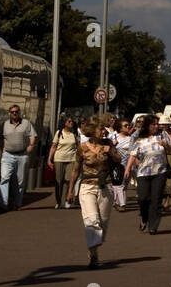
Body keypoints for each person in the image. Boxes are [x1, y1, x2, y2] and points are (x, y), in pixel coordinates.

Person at [70, 115, 121, 269]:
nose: (103, 132)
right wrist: (70, 190)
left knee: (103, 223)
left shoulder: (108, 143)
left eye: (104, 129)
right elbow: (75, 170)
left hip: (105, 186)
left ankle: (94, 250)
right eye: (100, 129)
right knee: (92, 220)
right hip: (87, 186)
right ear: (92, 130)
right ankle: (93, 254)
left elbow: (119, 160)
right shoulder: (83, 148)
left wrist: (110, 151)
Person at [125, 117, 170, 234]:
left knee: (156, 200)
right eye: (153, 124)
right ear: (147, 126)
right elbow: (133, 154)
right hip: (143, 172)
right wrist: (127, 169)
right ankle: (144, 218)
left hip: (159, 172)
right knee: (143, 198)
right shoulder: (140, 139)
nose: (156, 126)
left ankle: (153, 226)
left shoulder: (162, 135)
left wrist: (166, 145)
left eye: (157, 124)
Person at [0, 105, 37, 211]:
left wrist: (31, 146)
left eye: (16, 112)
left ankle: (17, 203)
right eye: (12, 112)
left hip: (22, 155)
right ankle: (3, 203)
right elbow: (0, 138)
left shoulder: (26, 123)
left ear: (19, 112)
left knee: (20, 181)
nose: (14, 113)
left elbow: (32, 136)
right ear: (9, 113)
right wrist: (3, 149)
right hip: (8, 155)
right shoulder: (4, 125)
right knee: (4, 178)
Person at [48, 115, 80, 209]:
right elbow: (53, 147)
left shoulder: (74, 134)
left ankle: (67, 200)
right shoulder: (59, 133)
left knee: (69, 180)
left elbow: (78, 147)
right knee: (59, 181)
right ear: (64, 123)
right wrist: (49, 159)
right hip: (59, 159)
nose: (71, 123)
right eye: (69, 121)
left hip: (71, 159)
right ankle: (58, 201)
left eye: (72, 121)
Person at [111, 118, 137, 212]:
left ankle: (117, 202)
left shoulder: (131, 138)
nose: (128, 127)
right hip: (117, 165)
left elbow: (134, 152)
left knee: (124, 184)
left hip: (129, 165)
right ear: (119, 127)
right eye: (125, 125)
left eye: (128, 125)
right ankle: (122, 204)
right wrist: (113, 145)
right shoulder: (114, 137)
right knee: (119, 184)